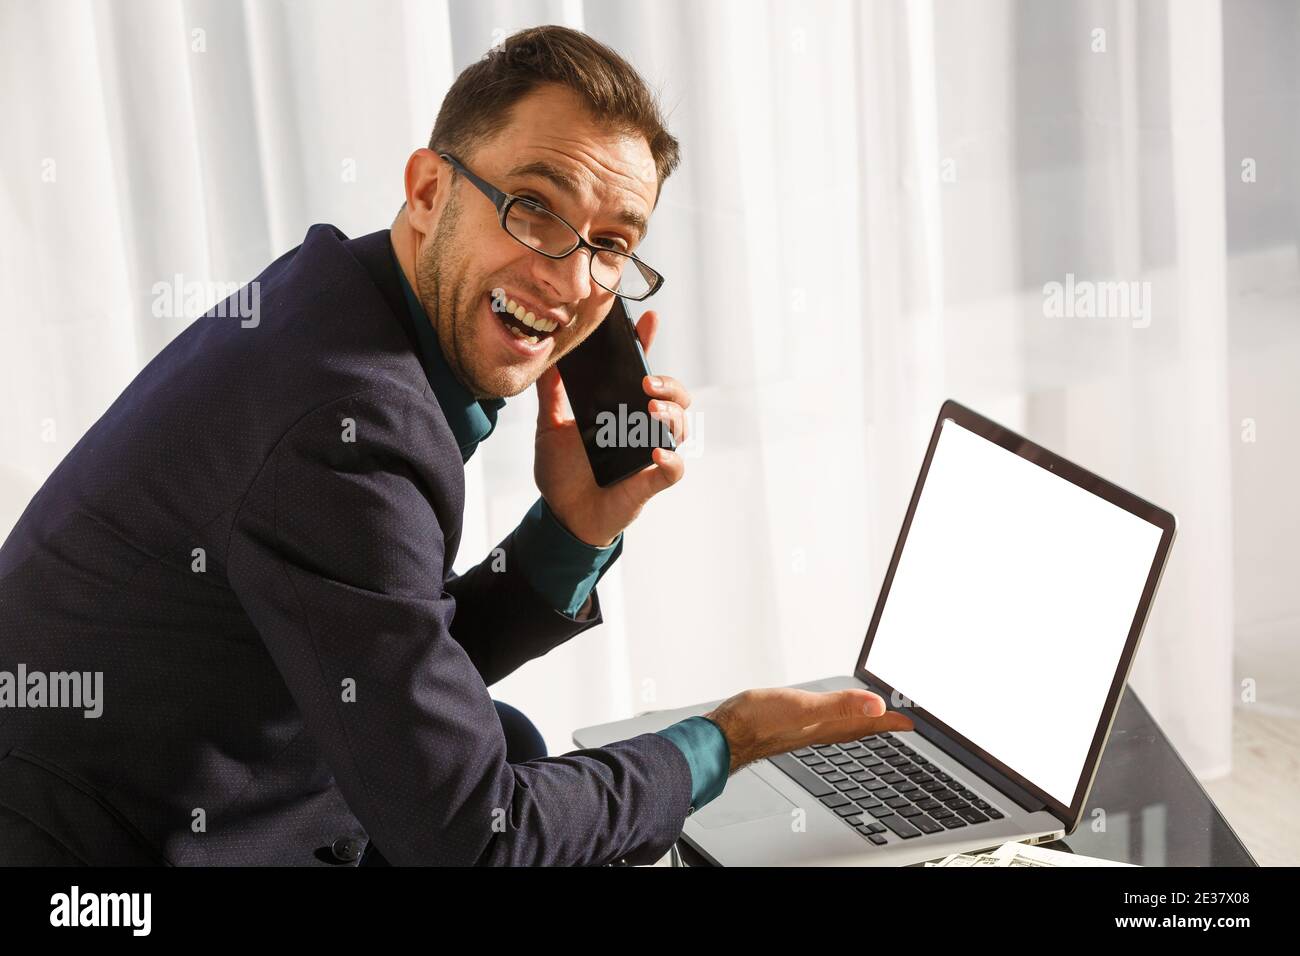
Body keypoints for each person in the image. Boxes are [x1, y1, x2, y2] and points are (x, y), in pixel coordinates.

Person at [0, 25, 912, 867]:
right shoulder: (349, 424)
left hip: (202, 784)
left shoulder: (338, 301)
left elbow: (378, 662)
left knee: (512, 742)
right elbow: (472, 839)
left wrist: (574, 532)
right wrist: (727, 741)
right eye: (533, 208)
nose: (567, 275)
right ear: (430, 192)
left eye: (609, 245)